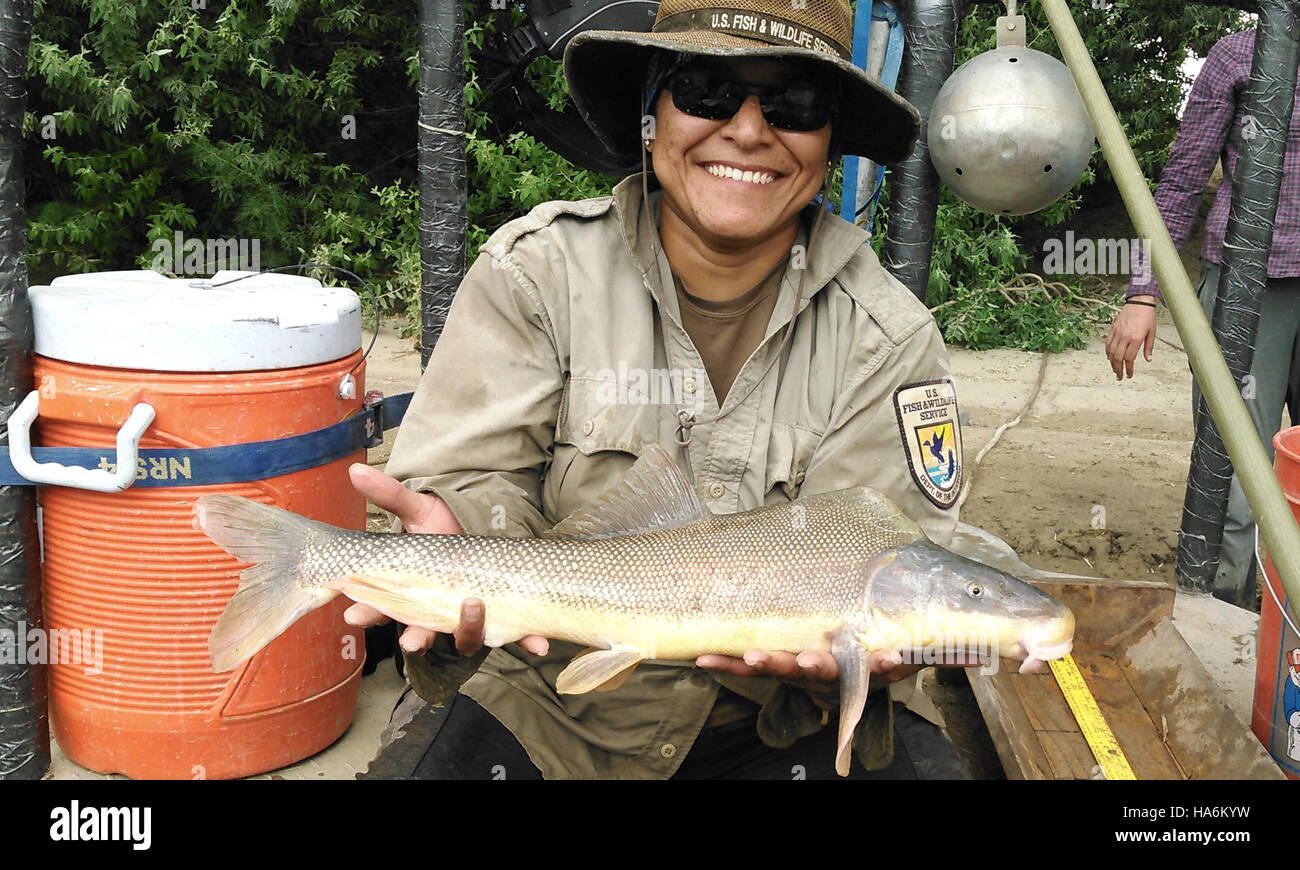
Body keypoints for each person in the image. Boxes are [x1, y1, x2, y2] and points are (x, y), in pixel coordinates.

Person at [349, 0, 971, 779]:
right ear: (651, 112)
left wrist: (885, 649)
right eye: (706, 88)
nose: (748, 129)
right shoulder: (536, 274)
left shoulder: (890, 337)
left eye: (794, 103)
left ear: (831, 140)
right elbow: (471, 480)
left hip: (784, 725)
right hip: (548, 703)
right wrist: (464, 538)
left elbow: (895, 566)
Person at [1105, 28, 1300, 610]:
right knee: (1236, 478)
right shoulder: (1242, 54)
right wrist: (1144, 293)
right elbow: (1183, 179)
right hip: (1249, 284)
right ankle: (1223, 628)